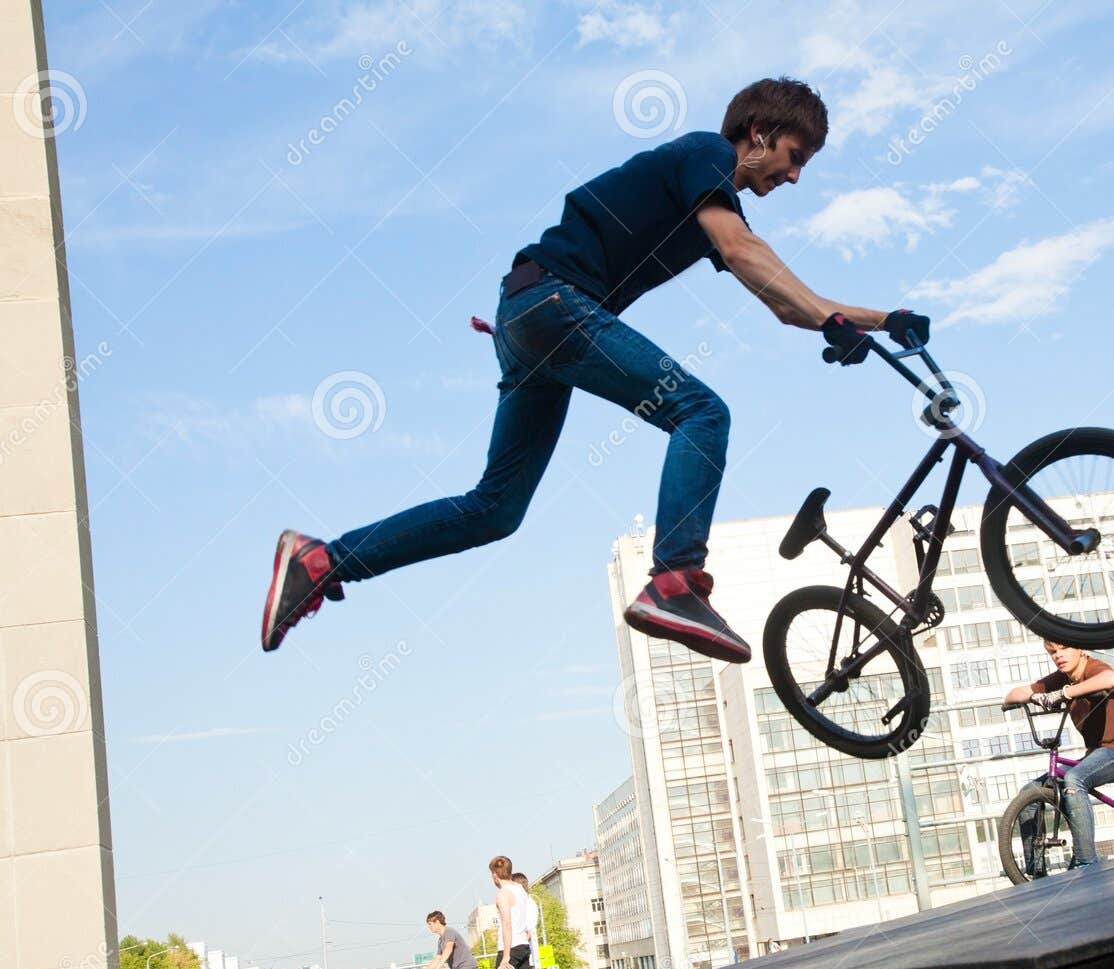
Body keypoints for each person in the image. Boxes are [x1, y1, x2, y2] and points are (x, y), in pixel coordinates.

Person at [261, 76, 929, 665]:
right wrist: (832, 318)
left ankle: (323, 560)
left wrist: (881, 319)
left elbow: (781, 301)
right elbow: (742, 249)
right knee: (702, 412)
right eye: (795, 157)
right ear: (758, 132)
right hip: (555, 305)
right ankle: (675, 580)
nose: (795, 178)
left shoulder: (714, 201)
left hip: (532, 318)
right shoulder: (707, 153)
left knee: (494, 509)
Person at [1002, 640, 1114, 873]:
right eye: (1053, 652)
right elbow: (1012, 695)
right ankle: (1036, 870)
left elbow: (1110, 679)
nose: (1058, 655)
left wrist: (1064, 693)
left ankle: (1087, 862)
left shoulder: (1092, 668)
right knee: (1029, 791)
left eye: (1064, 649)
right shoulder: (1062, 678)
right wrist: (1035, 697)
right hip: (1096, 754)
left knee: (1074, 779)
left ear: (1080, 649)